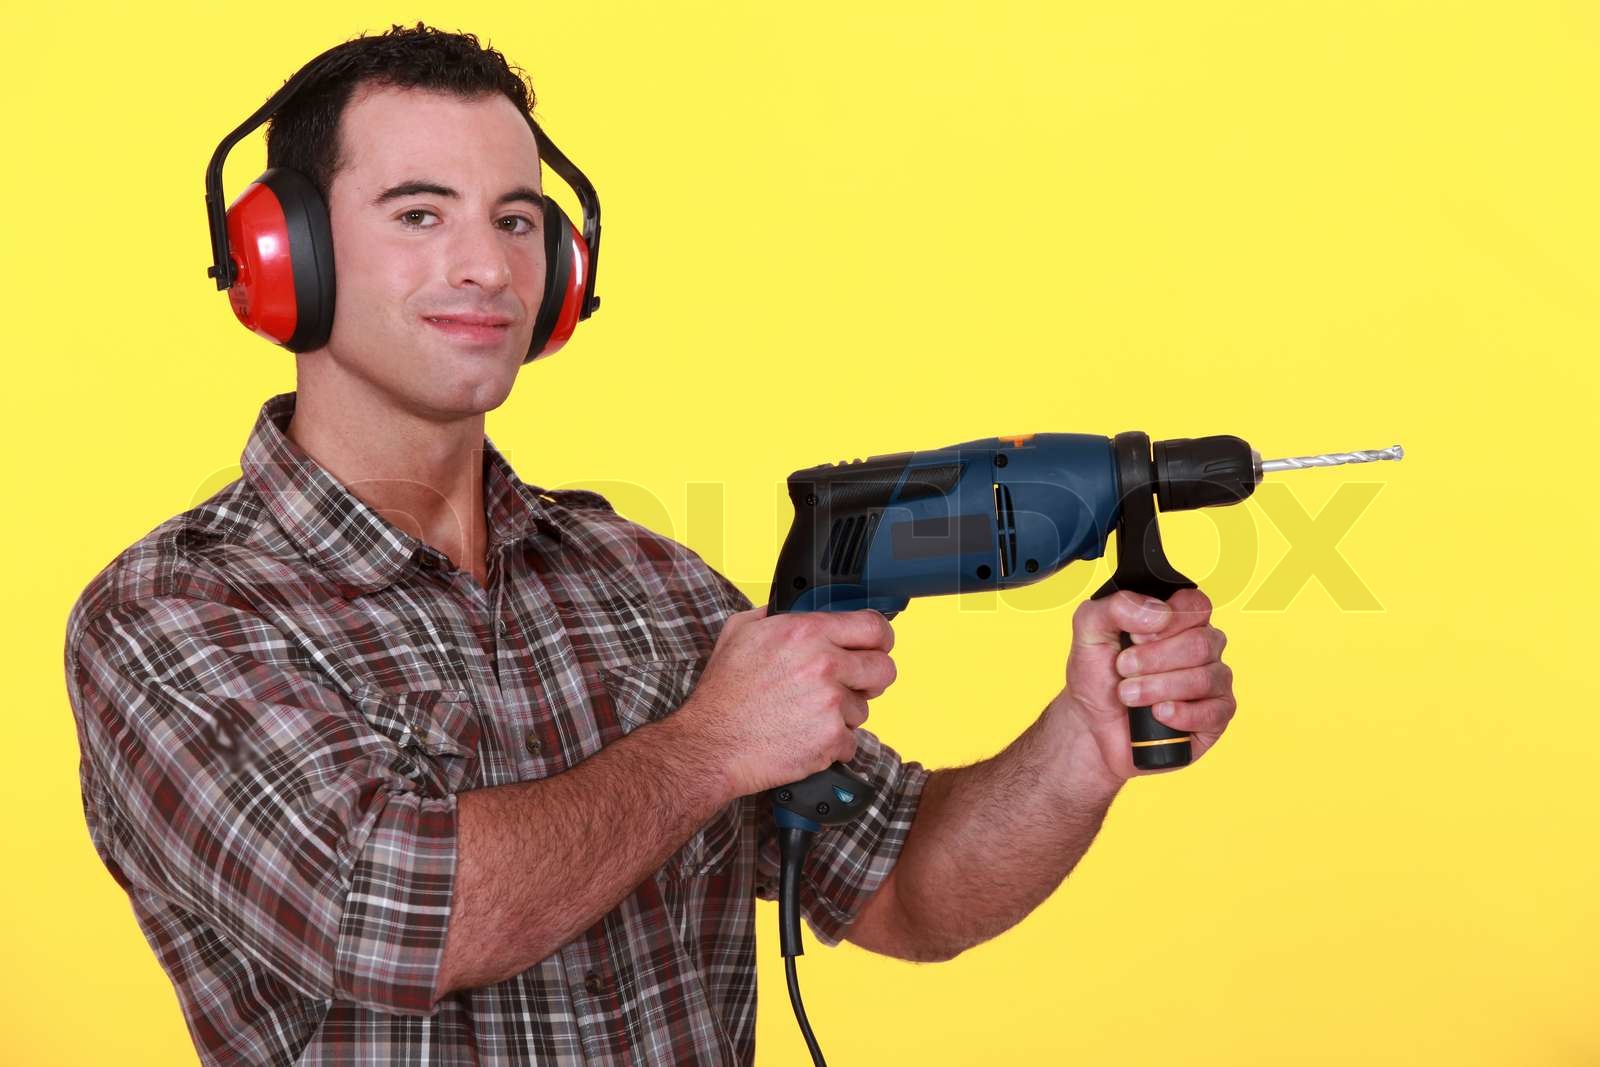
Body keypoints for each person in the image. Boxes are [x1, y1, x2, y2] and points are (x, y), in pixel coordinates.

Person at [63, 23, 1238, 1066]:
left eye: (518, 221)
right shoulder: (172, 613)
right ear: (286, 260)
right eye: (420, 214)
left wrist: (1080, 743)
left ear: (566, 273)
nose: (488, 266)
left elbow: (903, 892)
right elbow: (388, 909)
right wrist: (709, 744)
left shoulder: (651, 583)